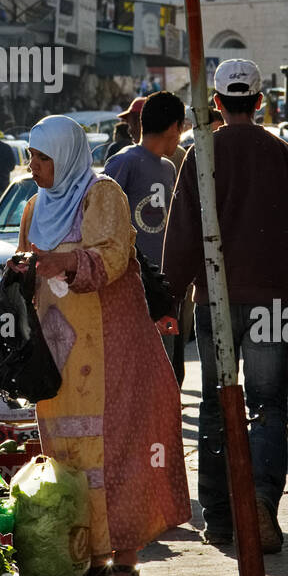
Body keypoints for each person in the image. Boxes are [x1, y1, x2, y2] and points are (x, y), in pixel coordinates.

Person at [162, 59, 288, 552]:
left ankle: (220, 516)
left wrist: (171, 298)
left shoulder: (200, 154)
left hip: (216, 301)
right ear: (259, 102)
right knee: (268, 404)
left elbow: (183, 237)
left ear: (216, 103)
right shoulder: (280, 153)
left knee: (218, 402)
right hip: (271, 302)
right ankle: (261, 500)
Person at [16, 115, 190, 576]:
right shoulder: (33, 208)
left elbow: (112, 256)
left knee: (121, 441)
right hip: (57, 351)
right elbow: (25, 268)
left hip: (111, 344)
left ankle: (126, 549)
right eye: (31, 156)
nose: (33, 167)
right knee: (67, 449)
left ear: (67, 157)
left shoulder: (102, 193)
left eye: (42, 158)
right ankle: (86, 547)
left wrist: (64, 260)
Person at [104, 91, 186, 380]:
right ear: (174, 127)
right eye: (182, 127)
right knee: (133, 370)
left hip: (163, 286)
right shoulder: (123, 161)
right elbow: (104, 219)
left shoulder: (170, 167)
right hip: (132, 284)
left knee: (167, 368)